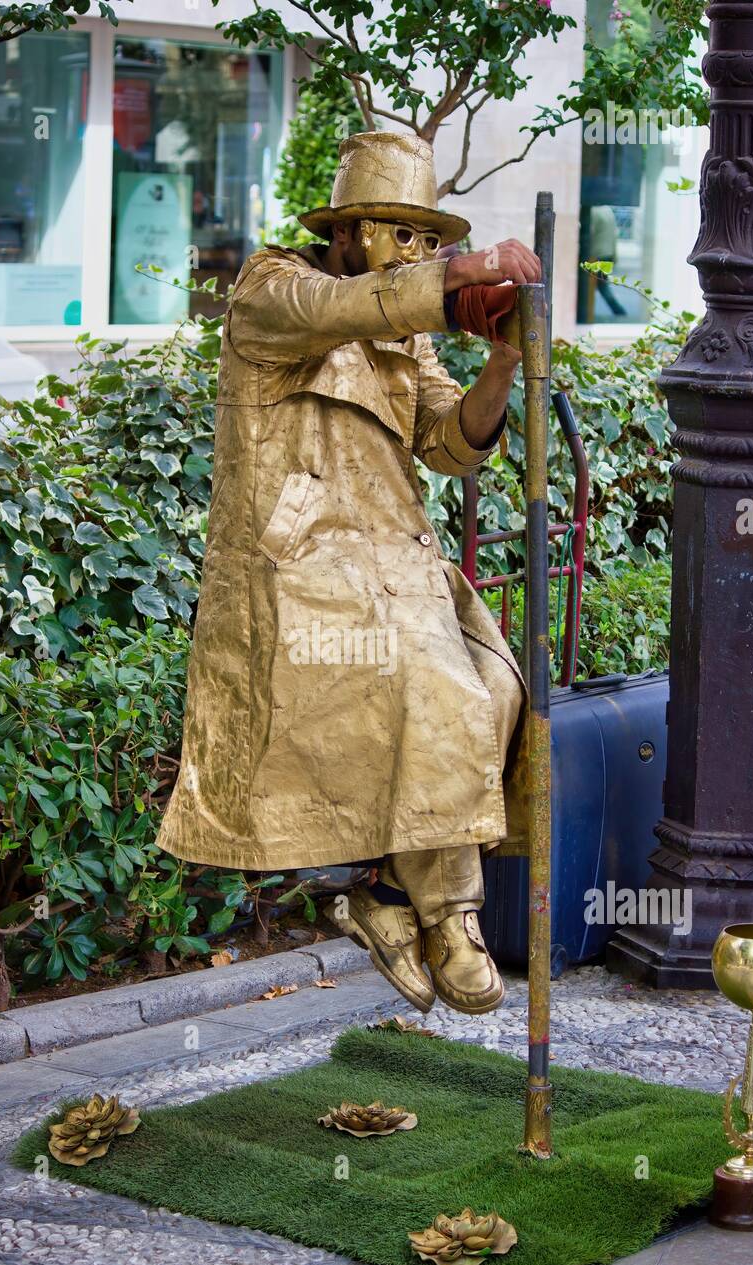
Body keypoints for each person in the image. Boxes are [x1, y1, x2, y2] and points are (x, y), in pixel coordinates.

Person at [156, 131, 537, 1015]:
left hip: (396, 563)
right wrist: (456, 279)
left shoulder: (409, 340)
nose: (417, 253)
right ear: (351, 229)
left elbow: (452, 445)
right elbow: (338, 312)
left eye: (426, 238)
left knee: (496, 686)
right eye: (398, 233)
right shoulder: (272, 289)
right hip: (301, 569)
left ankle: (391, 898)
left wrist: (507, 359)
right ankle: (449, 913)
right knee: (433, 685)